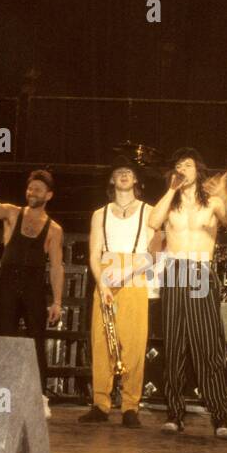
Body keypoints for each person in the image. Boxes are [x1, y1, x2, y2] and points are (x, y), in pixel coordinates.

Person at [147, 148, 227, 437]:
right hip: (174, 270)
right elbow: (153, 222)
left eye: (187, 164)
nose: (182, 168)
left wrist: (225, 194)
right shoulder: (170, 203)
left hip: (200, 270)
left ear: (198, 170)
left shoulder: (211, 202)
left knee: (206, 343)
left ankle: (219, 415)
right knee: (175, 344)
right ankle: (174, 413)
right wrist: (170, 190)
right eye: (178, 165)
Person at [0, 158, 64, 419]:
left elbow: (57, 267)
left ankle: (40, 397)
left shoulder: (54, 229)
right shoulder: (13, 212)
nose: (32, 192)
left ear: (48, 195)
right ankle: (4, 397)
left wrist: (57, 301)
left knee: (36, 340)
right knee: (6, 338)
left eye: (37, 189)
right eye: (30, 188)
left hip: (34, 285)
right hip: (9, 283)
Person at [80, 160, 161, 427]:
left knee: (134, 342)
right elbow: (94, 253)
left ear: (136, 180)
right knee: (102, 339)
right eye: (119, 172)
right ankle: (100, 404)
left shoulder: (150, 212)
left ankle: (130, 406)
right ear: (112, 181)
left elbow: (154, 253)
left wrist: (125, 274)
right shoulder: (99, 214)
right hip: (106, 272)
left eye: (129, 172)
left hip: (135, 272)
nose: (124, 174)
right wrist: (102, 283)